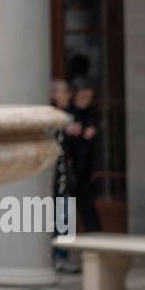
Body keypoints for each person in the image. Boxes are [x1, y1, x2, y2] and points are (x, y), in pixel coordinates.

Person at [50, 78, 78, 272]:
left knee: (65, 216)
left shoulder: (68, 115)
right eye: (64, 92)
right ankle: (57, 257)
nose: (68, 95)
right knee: (59, 217)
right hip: (52, 178)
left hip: (65, 177)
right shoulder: (50, 118)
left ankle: (62, 256)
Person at [68, 82, 102, 234]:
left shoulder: (92, 113)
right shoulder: (68, 112)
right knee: (66, 202)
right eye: (83, 97)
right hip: (70, 164)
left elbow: (96, 142)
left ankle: (94, 234)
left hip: (85, 166)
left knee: (87, 203)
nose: (86, 101)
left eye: (89, 98)